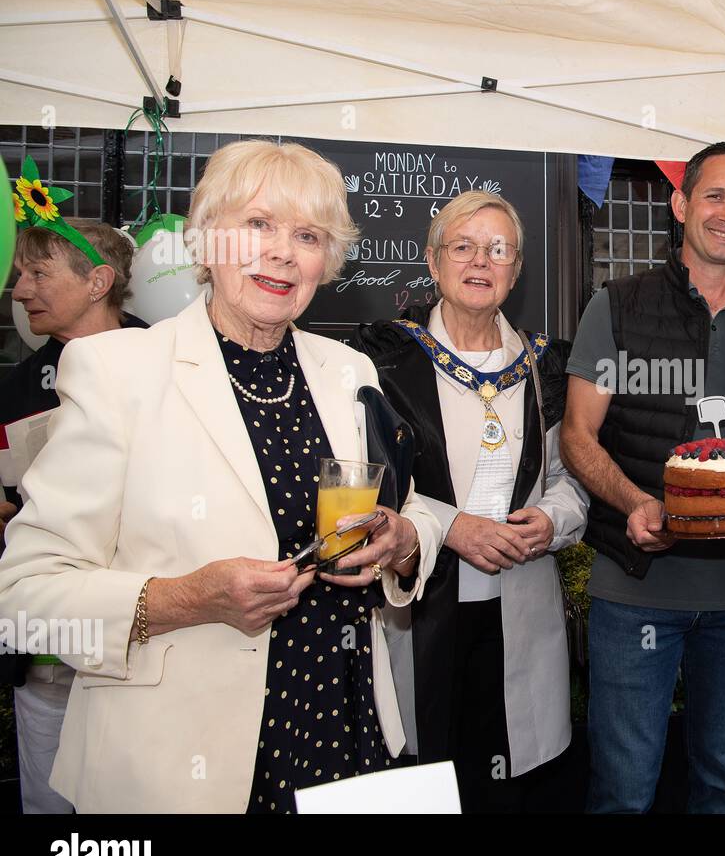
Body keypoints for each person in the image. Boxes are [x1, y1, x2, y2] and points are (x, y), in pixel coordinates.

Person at [0, 140, 442, 813]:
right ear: (206, 242)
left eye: (308, 234)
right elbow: (24, 601)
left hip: (345, 739)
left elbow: (406, 512)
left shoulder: (348, 371)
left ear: (328, 262)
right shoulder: (117, 372)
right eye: (256, 225)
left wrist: (405, 540)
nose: (283, 251)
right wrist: (186, 599)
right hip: (181, 769)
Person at [561, 141, 725, 814]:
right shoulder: (616, 306)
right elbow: (577, 435)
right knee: (622, 791)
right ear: (679, 203)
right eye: (714, 195)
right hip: (636, 589)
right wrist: (633, 501)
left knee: (722, 788)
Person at [356, 190, 588, 812]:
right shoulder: (385, 360)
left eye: (498, 249)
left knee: (510, 786)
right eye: (462, 246)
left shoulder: (544, 366)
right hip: (420, 602)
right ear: (433, 263)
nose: (480, 261)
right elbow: (366, 486)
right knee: (422, 779)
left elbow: (570, 481)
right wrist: (451, 526)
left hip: (520, 609)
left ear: (515, 270)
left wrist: (553, 520)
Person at [1, 216, 146, 814]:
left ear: (98, 282)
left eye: (38, 272)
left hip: (146, 647)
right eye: (18, 274)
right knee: (49, 803)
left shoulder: (170, 364)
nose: (20, 290)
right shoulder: (18, 386)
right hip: (49, 655)